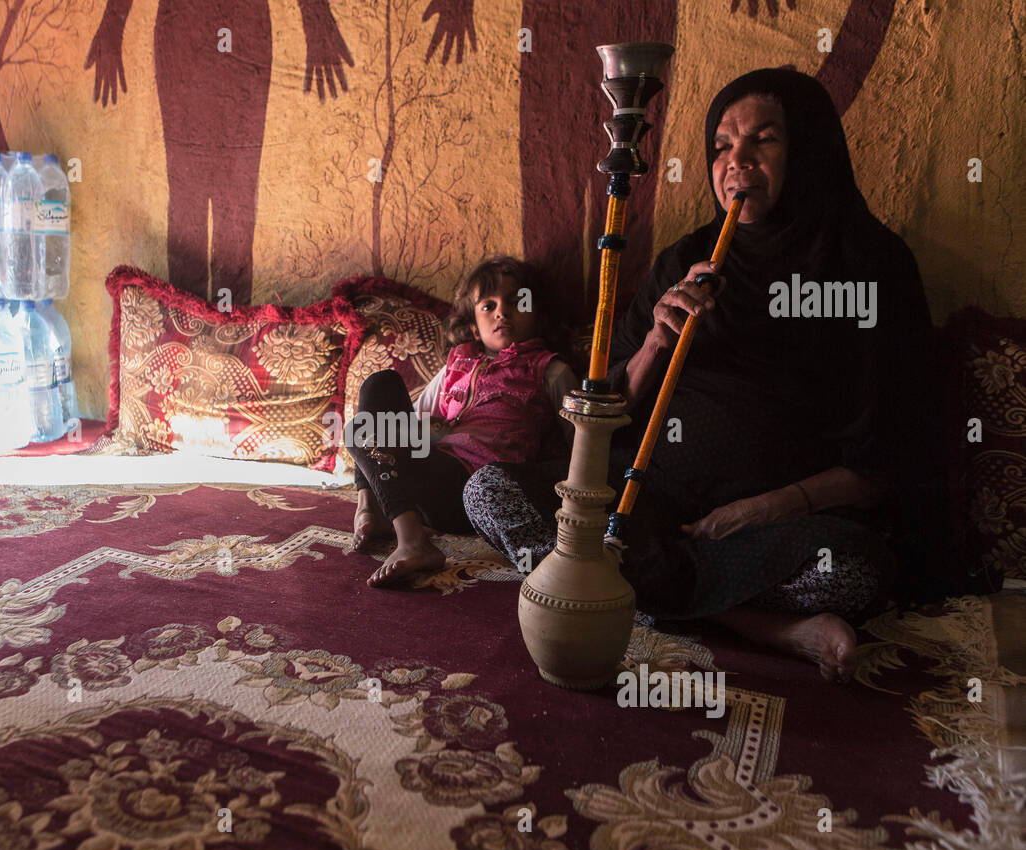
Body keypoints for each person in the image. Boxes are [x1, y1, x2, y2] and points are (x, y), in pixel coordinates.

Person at [463, 68, 959, 682]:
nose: (736, 162)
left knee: (851, 570)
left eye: (764, 140)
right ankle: (754, 626)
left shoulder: (870, 268)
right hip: (644, 499)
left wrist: (760, 510)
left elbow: (891, 461)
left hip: (771, 524)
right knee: (488, 491)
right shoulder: (685, 260)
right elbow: (597, 415)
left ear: (808, 149)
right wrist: (653, 345)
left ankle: (633, 589)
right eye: (722, 145)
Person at [348, 256, 577, 588]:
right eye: (488, 305)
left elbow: (580, 443)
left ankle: (412, 541)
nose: (502, 312)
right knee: (377, 392)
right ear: (473, 325)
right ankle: (372, 507)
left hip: (475, 492)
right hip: (424, 481)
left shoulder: (549, 370)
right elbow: (407, 421)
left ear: (538, 314)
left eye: (516, 301)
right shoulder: (456, 366)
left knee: (366, 428)